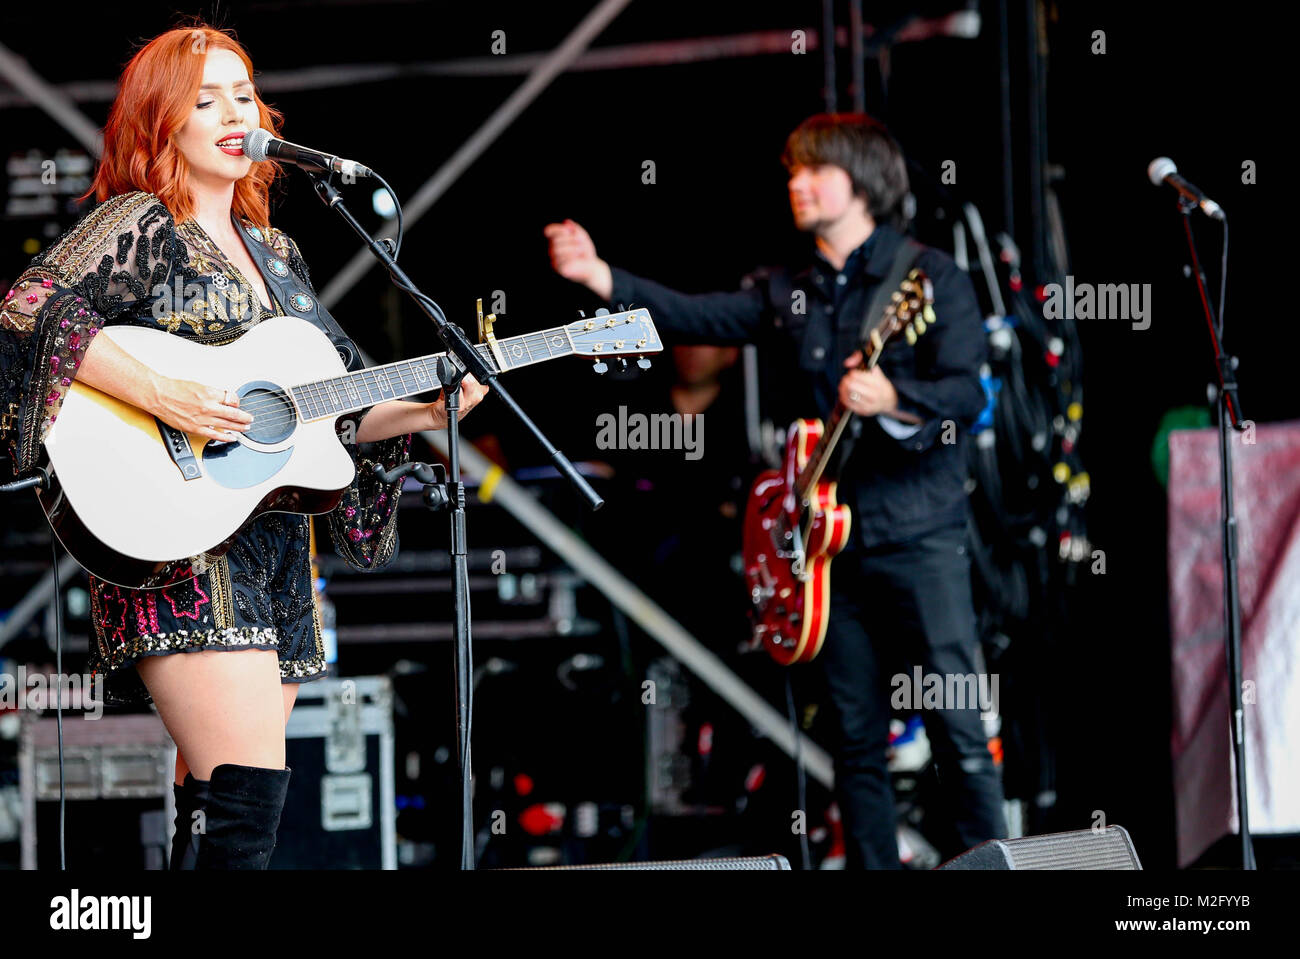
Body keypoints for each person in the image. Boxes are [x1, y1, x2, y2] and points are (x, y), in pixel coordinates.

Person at [0, 24, 488, 869]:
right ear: (163, 122)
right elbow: (29, 302)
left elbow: (326, 414)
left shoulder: (282, 256)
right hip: (176, 538)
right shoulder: (143, 223)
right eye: (205, 98)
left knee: (218, 809)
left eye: (243, 93)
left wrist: (423, 413)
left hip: (273, 550)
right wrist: (162, 392)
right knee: (246, 804)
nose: (234, 112)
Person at [545, 112, 1006, 868]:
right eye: (792, 170)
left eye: (815, 170)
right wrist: (604, 279)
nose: (797, 183)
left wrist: (891, 400)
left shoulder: (931, 277)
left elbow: (966, 393)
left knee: (957, 724)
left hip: (920, 534)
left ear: (862, 182)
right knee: (854, 738)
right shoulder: (788, 286)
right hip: (828, 555)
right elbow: (698, 316)